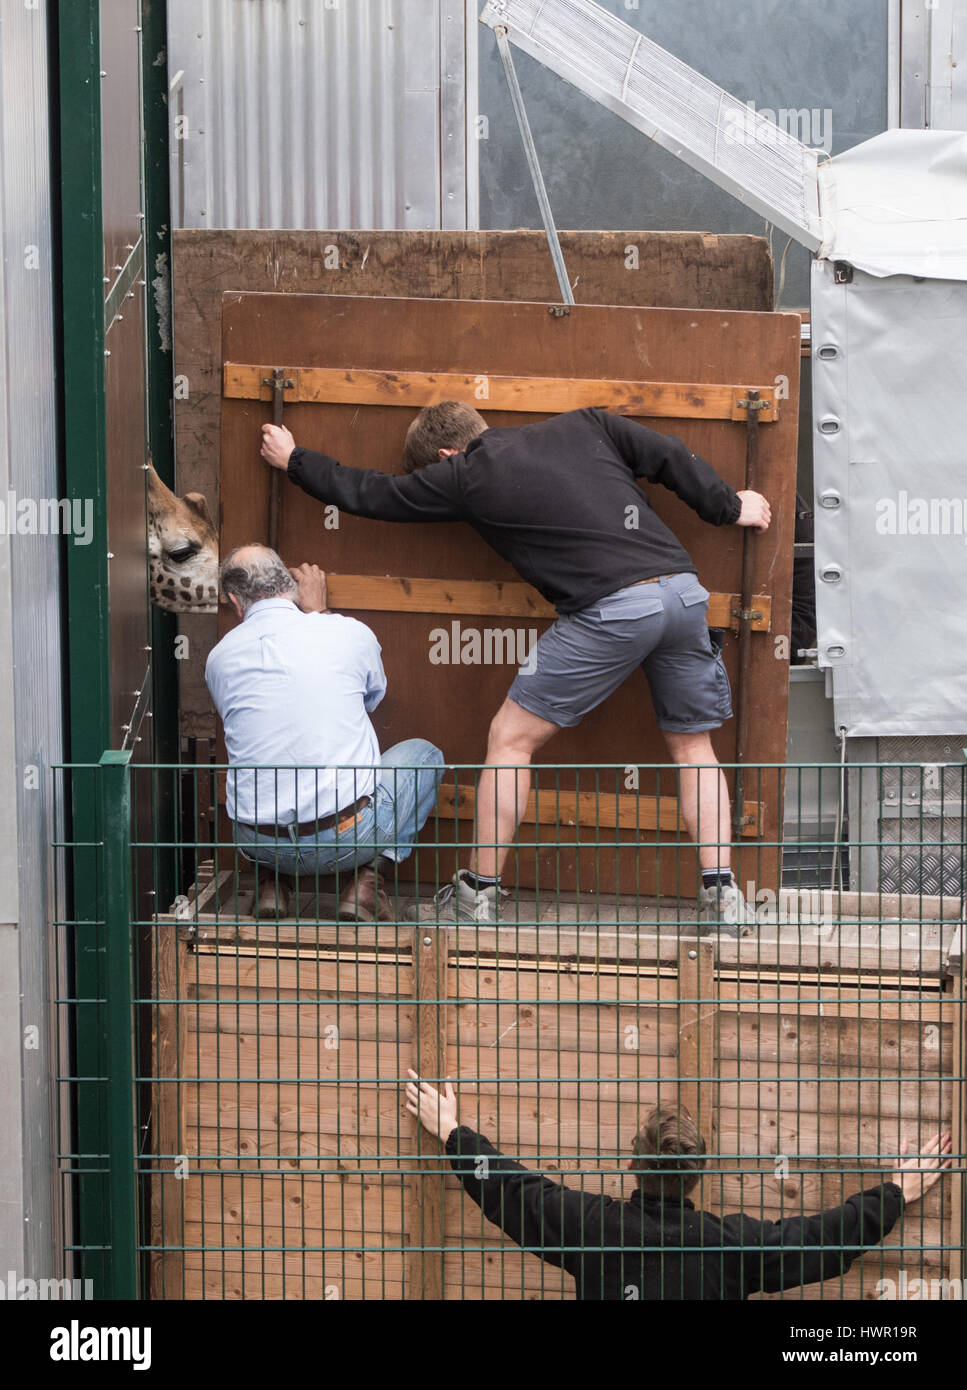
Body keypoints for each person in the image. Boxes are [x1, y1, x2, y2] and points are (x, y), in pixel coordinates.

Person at [261, 403, 772, 932]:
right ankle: (723, 898)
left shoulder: (466, 473)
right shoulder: (585, 423)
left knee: (509, 739)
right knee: (693, 748)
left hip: (613, 608)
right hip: (684, 594)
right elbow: (666, 453)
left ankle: (477, 896)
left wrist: (294, 459)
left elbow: (371, 492)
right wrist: (728, 505)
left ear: (444, 456)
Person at [405, 1072, 952, 1301]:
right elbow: (823, 1239)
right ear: (698, 1175)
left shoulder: (593, 1227)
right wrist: (897, 1191)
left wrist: (453, 1132)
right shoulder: (730, 1246)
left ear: (634, 1166)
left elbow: (512, 1193)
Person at [205, 544, 444, 920]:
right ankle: (367, 884)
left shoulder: (218, 658)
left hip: (258, 843)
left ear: (235, 601)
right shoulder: (347, 633)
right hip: (346, 840)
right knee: (424, 755)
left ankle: (269, 885)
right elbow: (371, 697)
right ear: (291, 585)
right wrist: (321, 612)